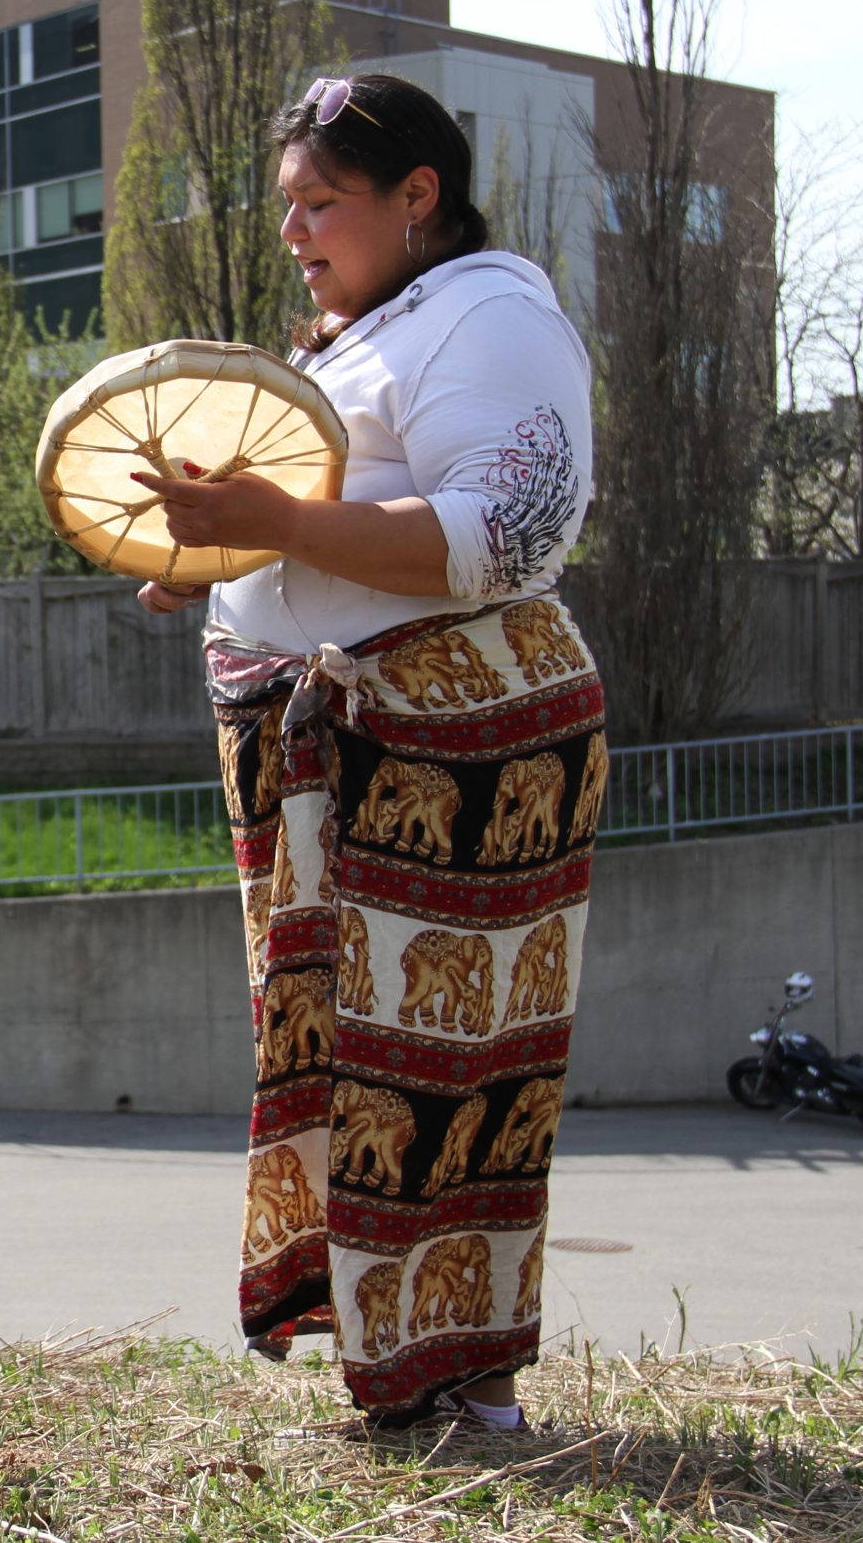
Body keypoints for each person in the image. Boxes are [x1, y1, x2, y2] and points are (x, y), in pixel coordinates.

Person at [131, 73, 605, 1429]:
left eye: (322, 203)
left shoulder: (490, 315)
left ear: (419, 198)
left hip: (453, 741)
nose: (296, 229)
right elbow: (325, 518)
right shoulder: (364, 331)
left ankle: (468, 1382)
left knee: (443, 1071)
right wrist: (208, 554)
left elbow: (504, 531)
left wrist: (274, 527)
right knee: (348, 1061)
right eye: (287, 205)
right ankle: (389, 1362)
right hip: (337, 745)